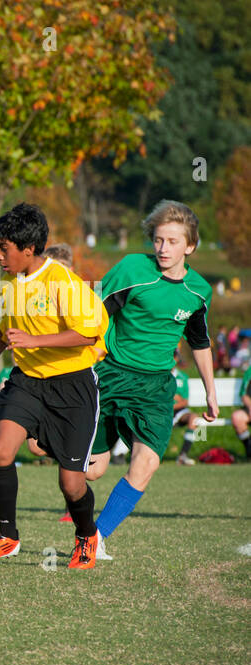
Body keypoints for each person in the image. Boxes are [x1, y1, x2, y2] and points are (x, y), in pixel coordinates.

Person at [0, 203, 108, 569]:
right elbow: (7, 330)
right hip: (28, 382)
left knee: (71, 484)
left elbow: (87, 333)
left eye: (4, 249)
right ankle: (7, 536)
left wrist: (36, 342)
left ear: (28, 249)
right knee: (1, 451)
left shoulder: (64, 282)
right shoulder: (14, 285)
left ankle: (85, 536)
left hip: (72, 387)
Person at [85, 200, 218, 557]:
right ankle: (50, 430)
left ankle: (94, 539)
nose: (163, 248)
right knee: (94, 471)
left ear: (190, 246)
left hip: (156, 386)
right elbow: (94, 315)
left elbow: (200, 342)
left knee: (147, 462)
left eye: (173, 241)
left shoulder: (198, 292)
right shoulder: (132, 269)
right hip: (111, 375)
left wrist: (210, 391)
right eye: (158, 240)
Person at [170, 366, 201, 466]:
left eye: (174, 355)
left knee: (194, 418)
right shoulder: (158, 374)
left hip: (179, 411)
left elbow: (185, 401)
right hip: (162, 411)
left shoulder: (182, 377)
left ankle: (183, 455)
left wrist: (173, 403)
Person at [231, 363, 251, 459]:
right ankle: (249, 449)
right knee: (237, 417)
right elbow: (243, 394)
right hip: (249, 410)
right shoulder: (249, 371)